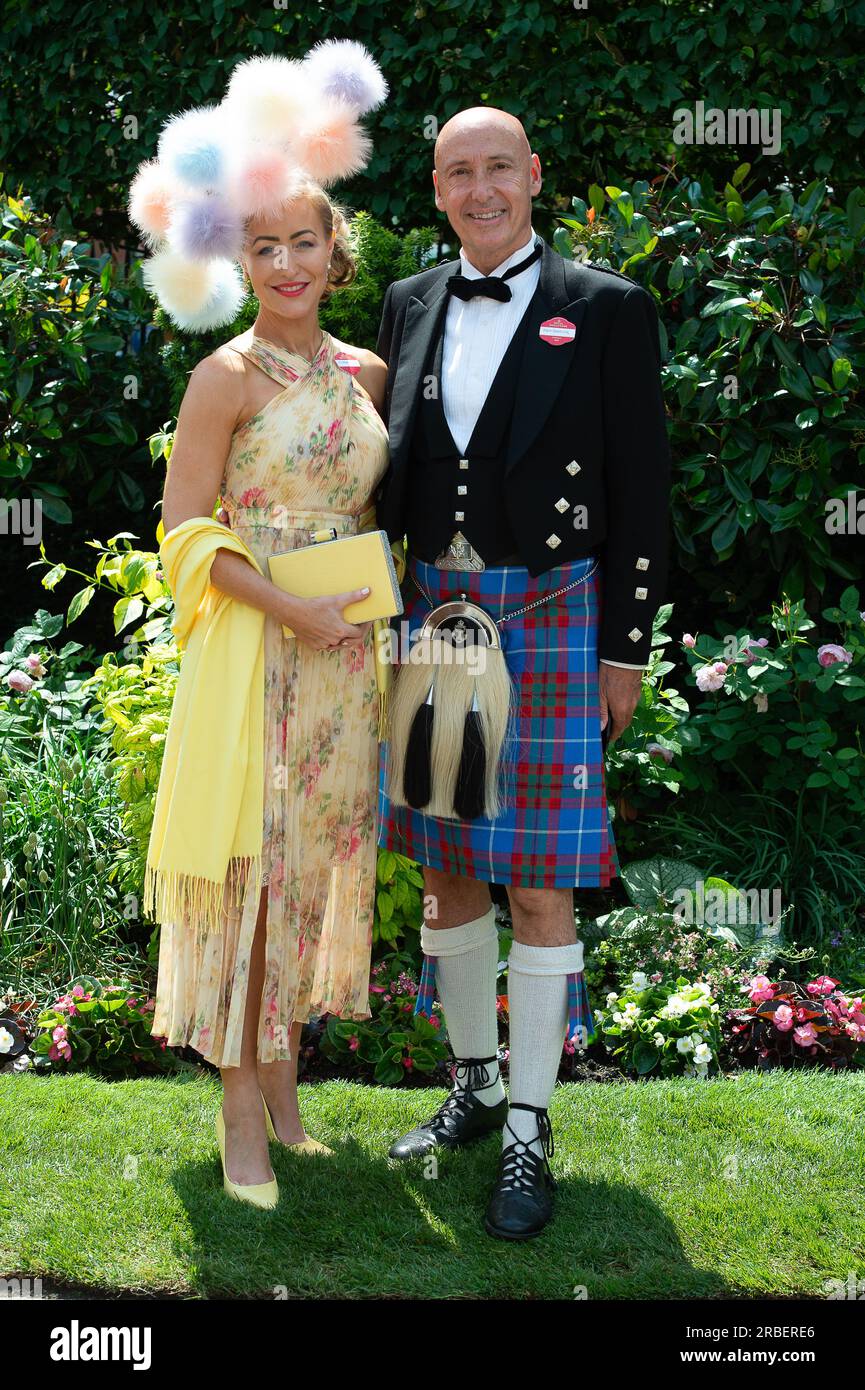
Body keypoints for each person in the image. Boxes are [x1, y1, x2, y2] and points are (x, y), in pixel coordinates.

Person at [374, 107, 671, 1239]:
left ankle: (531, 1126)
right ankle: (474, 1084)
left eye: (500, 167)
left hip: (551, 610)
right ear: (437, 187)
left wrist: (625, 646)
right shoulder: (407, 302)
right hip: (432, 614)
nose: (481, 187)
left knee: (540, 884)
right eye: (460, 171)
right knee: (449, 871)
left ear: (534, 176)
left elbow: (643, 484)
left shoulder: (606, 308)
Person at [130, 44, 390, 1208]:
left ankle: (285, 1092)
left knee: (310, 871)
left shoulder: (372, 373)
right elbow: (183, 527)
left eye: (306, 242)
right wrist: (286, 606)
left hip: (346, 666)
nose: (286, 262)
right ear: (241, 255)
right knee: (247, 872)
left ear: (339, 252)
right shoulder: (221, 378)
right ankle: (240, 1114)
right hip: (257, 656)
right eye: (264, 244)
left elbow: (370, 513)